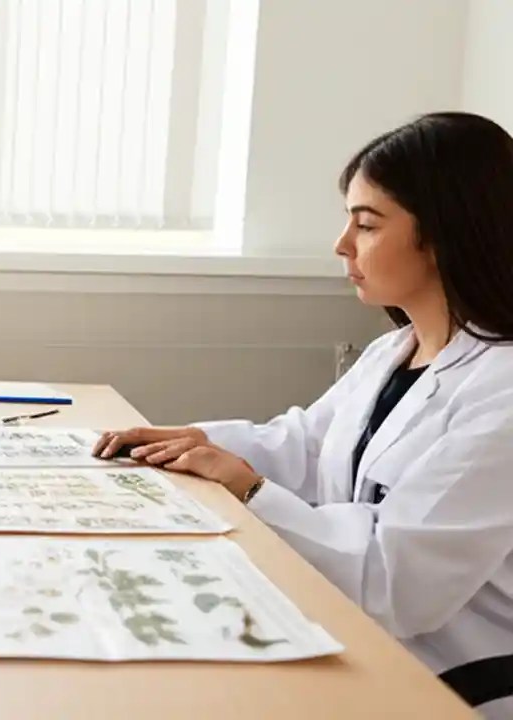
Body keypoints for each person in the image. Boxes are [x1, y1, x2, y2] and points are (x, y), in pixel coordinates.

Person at [93, 112, 513, 718]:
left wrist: (248, 487)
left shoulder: (502, 390)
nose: (342, 244)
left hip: (449, 681)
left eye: (366, 224)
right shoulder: (394, 352)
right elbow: (307, 446)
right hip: (356, 634)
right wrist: (193, 442)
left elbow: (395, 581)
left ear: (446, 232)